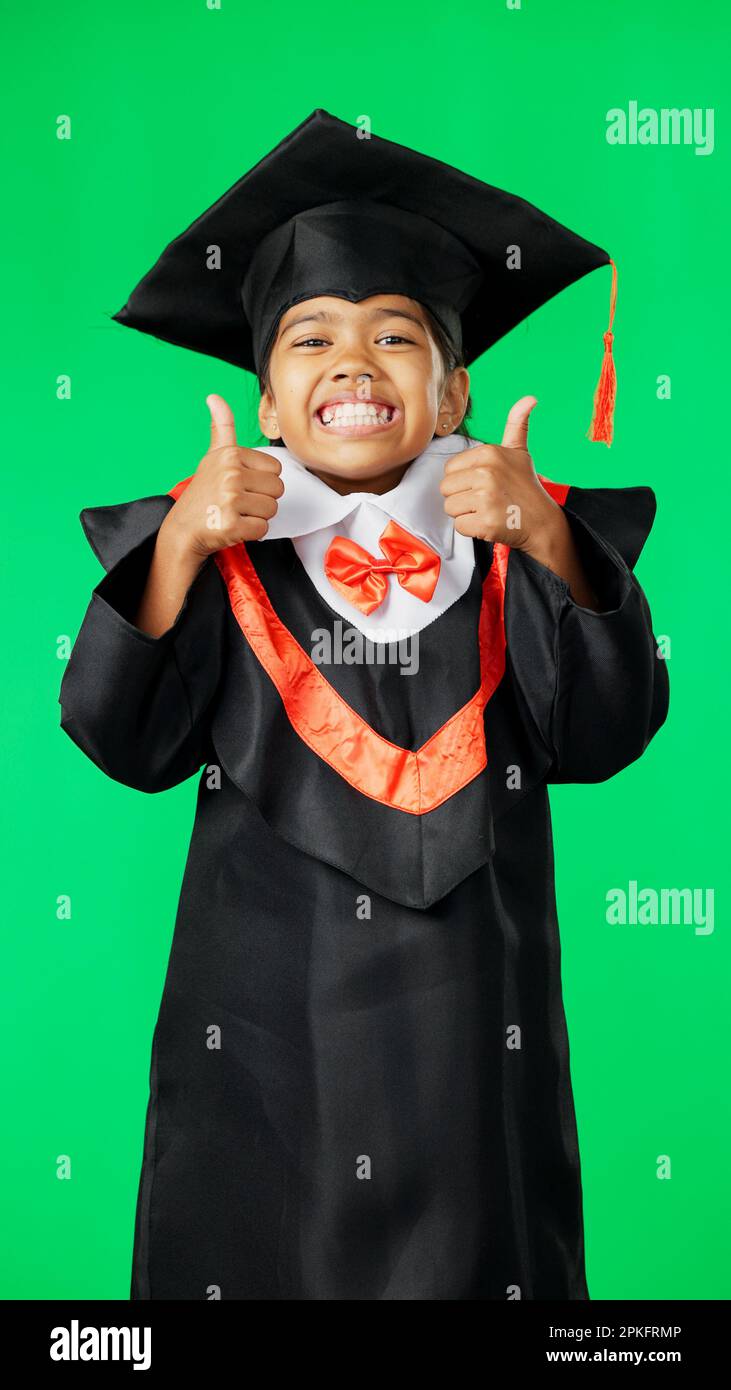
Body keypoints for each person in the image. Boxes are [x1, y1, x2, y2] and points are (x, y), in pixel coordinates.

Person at [58, 109, 669, 1300]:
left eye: (396, 336)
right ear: (271, 407)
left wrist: (546, 534)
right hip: (258, 1030)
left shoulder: (509, 553)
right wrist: (179, 541)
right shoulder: (222, 554)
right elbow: (121, 741)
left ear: (452, 397)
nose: (352, 362)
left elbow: (603, 735)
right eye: (310, 339)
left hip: (471, 1044)